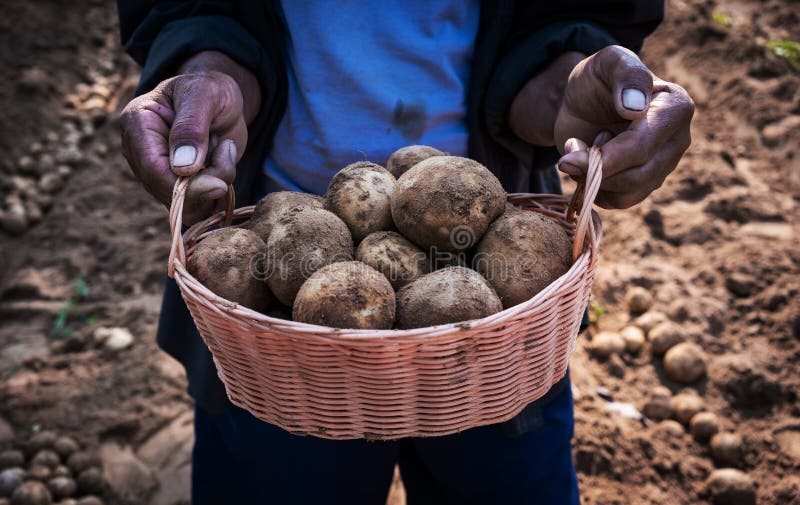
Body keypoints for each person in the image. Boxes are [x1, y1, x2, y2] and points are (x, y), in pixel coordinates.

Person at [117, 1, 693, 504]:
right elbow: (184, 9)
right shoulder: (288, 259)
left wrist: (569, 78)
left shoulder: (492, 259)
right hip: (276, 328)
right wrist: (207, 71)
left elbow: (574, 15)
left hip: (499, 332)